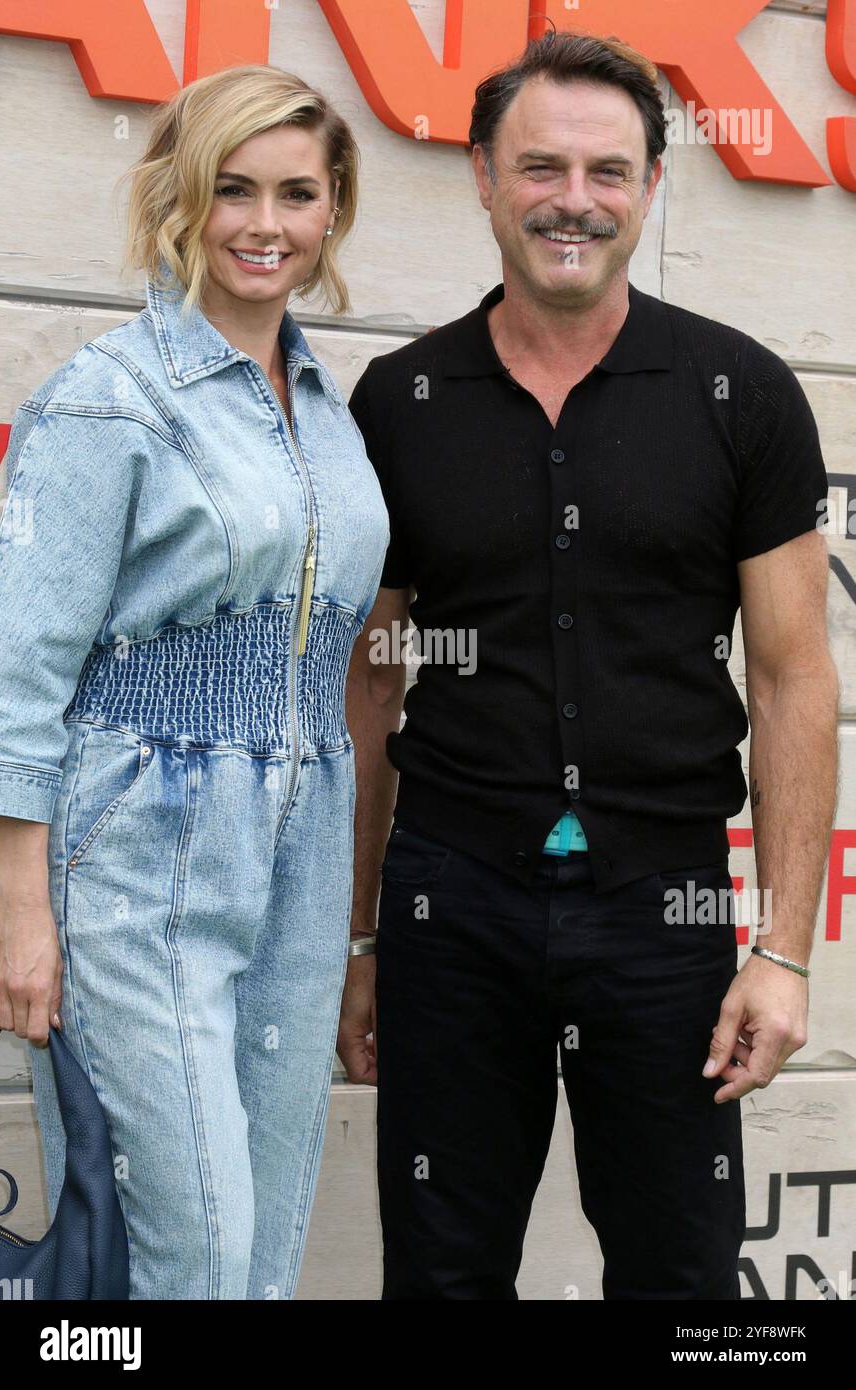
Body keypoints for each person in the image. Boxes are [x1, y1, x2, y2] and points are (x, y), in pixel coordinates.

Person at [339, 31, 838, 1299]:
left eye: (608, 170)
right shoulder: (399, 404)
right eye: (542, 166)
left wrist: (780, 952)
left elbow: (789, 679)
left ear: (653, 184)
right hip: (449, 909)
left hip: (663, 917)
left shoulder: (744, 394)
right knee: (440, 1275)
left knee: (681, 1278)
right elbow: (370, 682)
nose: (575, 198)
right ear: (484, 179)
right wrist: (357, 938)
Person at [0, 63, 389, 1299]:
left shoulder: (329, 412)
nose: (262, 224)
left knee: (260, 1249)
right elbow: (17, 671)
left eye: (296, 194)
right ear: (182, 196)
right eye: (232, 190)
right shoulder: (110, 399)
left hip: (301, 845)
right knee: (191, 1255)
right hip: (137, 848)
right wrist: (17, 908)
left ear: (332, 211)